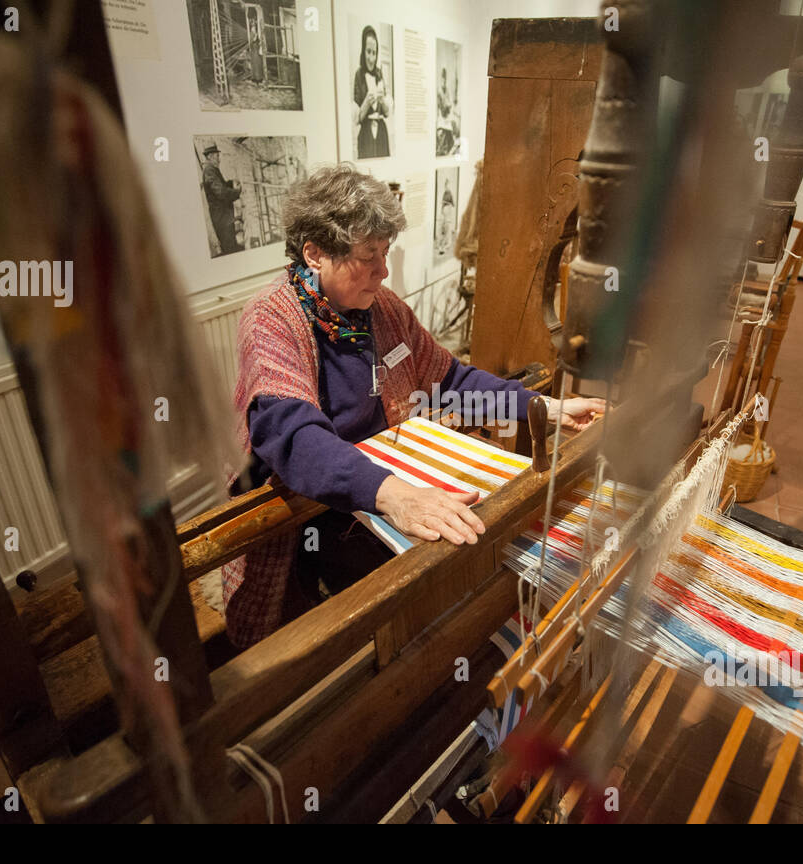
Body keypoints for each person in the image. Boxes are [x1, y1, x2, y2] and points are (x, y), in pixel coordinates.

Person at [222, 165, 604, 648]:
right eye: (369, 256)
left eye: (386, 253)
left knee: (465, 559)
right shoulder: (271, 321)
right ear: (314, 254)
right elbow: (297, 439)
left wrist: (541, 407)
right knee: (425, 590)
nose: (384, 272)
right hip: (313, 506)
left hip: (374, 483)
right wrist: (395, 496)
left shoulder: (381, 309)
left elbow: (449, 378)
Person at [353, 26, 391, 159]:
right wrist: (366, 102)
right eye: (368, 52)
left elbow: (387, 113)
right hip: (366, 135)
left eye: (374, 53)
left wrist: (382, 101)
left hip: (381, 134)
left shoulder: (380, 74)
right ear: (363, 51)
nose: (371, 58)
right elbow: (356, 119)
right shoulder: (359, 75)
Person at [201, 144, 242, 255]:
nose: (219, 159)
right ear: (209, 156)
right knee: (229, 248)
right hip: (222, 218)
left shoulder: (212, 170)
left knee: (231, 245)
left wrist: (230, 182)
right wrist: (237, 192)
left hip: (224, 217)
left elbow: (221, 186)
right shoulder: (209, 170)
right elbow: (221, 193)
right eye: (217, 156)